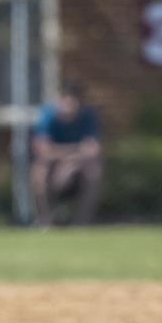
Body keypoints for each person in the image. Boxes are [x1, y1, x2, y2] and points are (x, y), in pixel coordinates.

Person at [33, 81, 104, 226]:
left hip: (78, 166)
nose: (67, 105)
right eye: (64, 100)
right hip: (53, 166)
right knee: (38, 173)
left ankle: (81, 222)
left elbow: (92, 150)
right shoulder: (48, 116)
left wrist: (69, 163)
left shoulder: (88, 117)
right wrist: (68, 157)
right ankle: (45, 221)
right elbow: (42, 150)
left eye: (71, 101)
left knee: (94, 171)